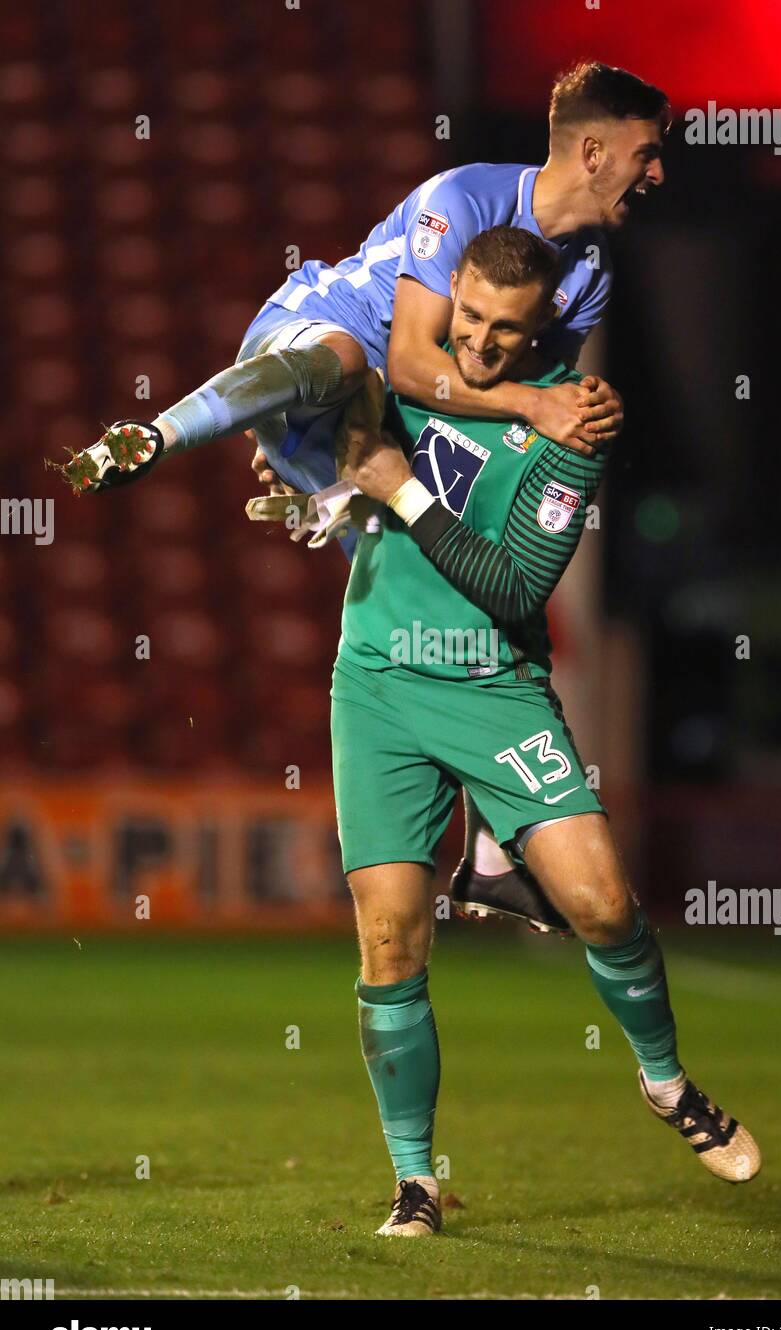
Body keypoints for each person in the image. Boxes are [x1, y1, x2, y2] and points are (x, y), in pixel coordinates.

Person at [48, 60, 668, 933]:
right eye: (647, 153)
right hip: (314, 354)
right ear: (595, 151)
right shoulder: (463, 198)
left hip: (384, 441)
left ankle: (491, 861)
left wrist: (570, 412)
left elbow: (522, 395)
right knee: (342, 359)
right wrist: (537, 404)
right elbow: (416, 365)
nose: (658, 173)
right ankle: (157, 433)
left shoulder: (590, 269)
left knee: (475, 607)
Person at [332, 226, 761, 1235]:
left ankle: (663, 1082)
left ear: (542, 331)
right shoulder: (406, 362)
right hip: (380, 684)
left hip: (494, 686)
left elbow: (516, 582)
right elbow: (312, 380)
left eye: (502, 329)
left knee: (604, 902)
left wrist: (397, 487)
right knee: (390, 938)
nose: (476, 342)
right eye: (468, 316)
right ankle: (415, 1181)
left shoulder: (575, 416)